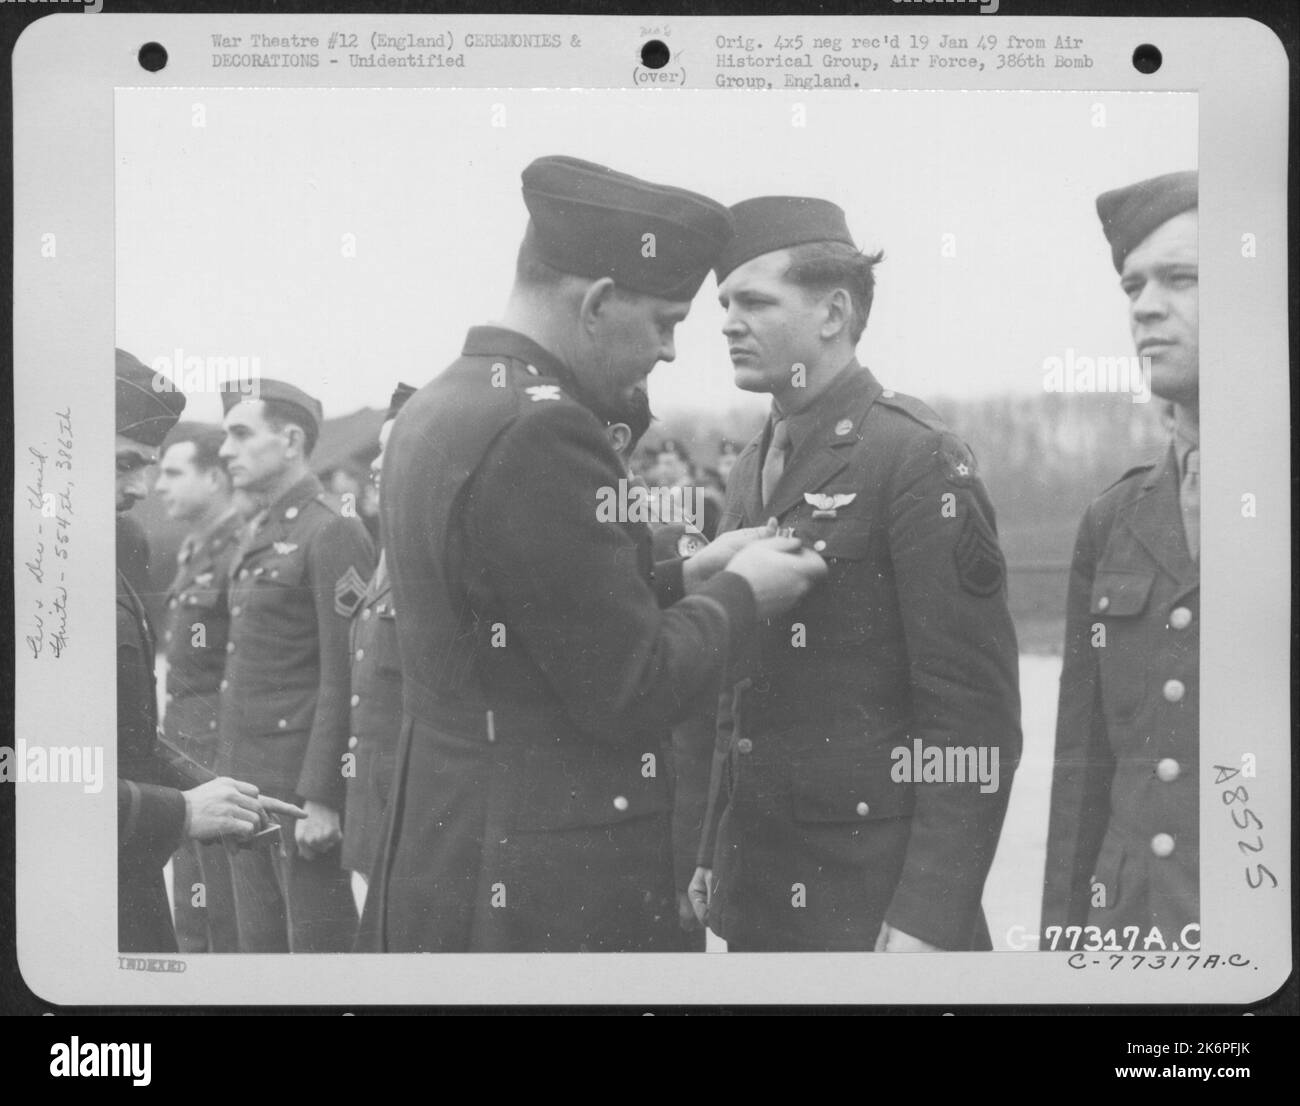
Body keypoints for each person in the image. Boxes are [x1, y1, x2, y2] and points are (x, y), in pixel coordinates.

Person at [359, 155, 826, 953]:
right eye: (666, 321)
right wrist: (743, 593)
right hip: (543, 884)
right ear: (600, 302)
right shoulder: (548, 429)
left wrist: (683, 575)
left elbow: (517, 598)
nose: (673, 352)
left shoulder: (448, 401)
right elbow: (631, 686)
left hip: (448, 847)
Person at [691, 197, 1023, 951]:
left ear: (833, 313)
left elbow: (971, 717)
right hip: (765, 893)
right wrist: (715, 843)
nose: (728, 323)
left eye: (754, 302)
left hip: (873, 900)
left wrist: (927, 916)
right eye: (724, 304)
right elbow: (735, 692)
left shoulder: (914, 457)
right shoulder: (751, 465)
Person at [1041, 171, 1200, 948]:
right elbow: (1082, 771)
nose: (1143, 306)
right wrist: (1061, 954)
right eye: (1133, 285)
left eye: (1182, 278)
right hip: (1131, 929)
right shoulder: (1114, 519)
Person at [115, 348, 305, 952]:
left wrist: (208, 785)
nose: (142, 488)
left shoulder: (118, 543)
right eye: (126, 465)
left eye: (160, 469)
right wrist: (181, 805)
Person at [217, 379, 376, 952]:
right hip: (247, 785)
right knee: (259, 953)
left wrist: (325, 796)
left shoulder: (331, 530)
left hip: (297, 790)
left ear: (289, 440)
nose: (226, 450)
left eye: (240, 434)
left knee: (318, 955)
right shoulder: (261, 530)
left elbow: (346, 674)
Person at [154, 424, 246, 953]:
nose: (160, 485)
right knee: (194, 906)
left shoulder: (239, 546)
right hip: (187, 745)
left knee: (221, 912)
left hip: (218, 747)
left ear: (213, 478)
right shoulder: (197, 545)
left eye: (173, 472)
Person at [341, 382, 416, 907]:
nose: (374, 465)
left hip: (412, 801)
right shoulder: (392, 548)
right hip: (372, 794)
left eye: (389, 452)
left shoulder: (432, 559)